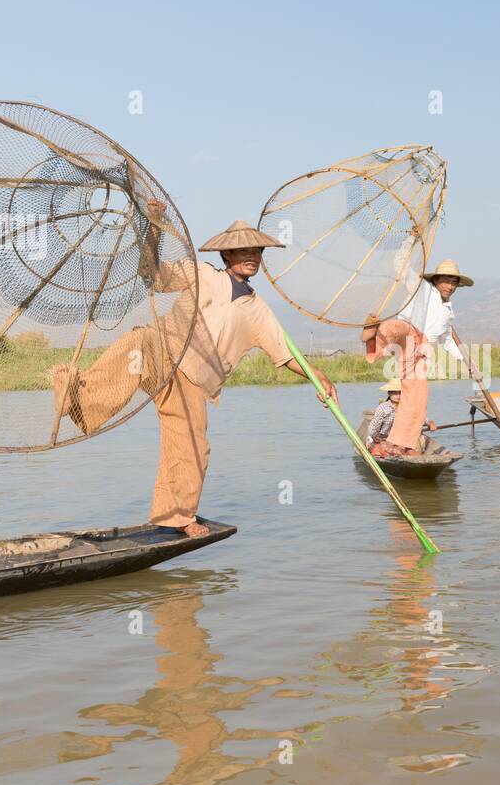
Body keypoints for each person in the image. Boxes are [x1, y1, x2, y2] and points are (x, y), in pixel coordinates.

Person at [52, 202, 337, 537]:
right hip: (165, 351)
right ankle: (78, 398)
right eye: (242, 251)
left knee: (192, 445)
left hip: (193, 380)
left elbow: (285, 354)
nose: (251, 257)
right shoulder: (202, 274)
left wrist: (317, 374)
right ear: (227, 255)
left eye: (256, 252)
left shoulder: (258, 310)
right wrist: (154, 226)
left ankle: (176, 515)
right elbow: (152, 274)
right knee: (139, 342)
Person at [359, 258, 472, 457]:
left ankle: (400, 443)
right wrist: (411, 239)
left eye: (454, 282)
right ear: (436, 281)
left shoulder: (448, 312)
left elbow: (447, 342)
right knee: (393, 328)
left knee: (417, 399)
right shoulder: (423, 289)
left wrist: (466, 360)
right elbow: (400, 264)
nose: (450, 286)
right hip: (409, 333)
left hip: (419, 352)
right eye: (446, 280)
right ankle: (372, 335)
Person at [365, 380, 406, 457]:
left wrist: (429, 422)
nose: (398, 396)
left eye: (400, 393)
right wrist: (374, 439)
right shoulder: (383, 408)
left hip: (399, 439)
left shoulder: (407, 407)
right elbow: (374, 427)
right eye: (394, 393)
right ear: (389, 393)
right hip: (382, 438)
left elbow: (417, 418)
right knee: (381, 451)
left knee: (405, 451)